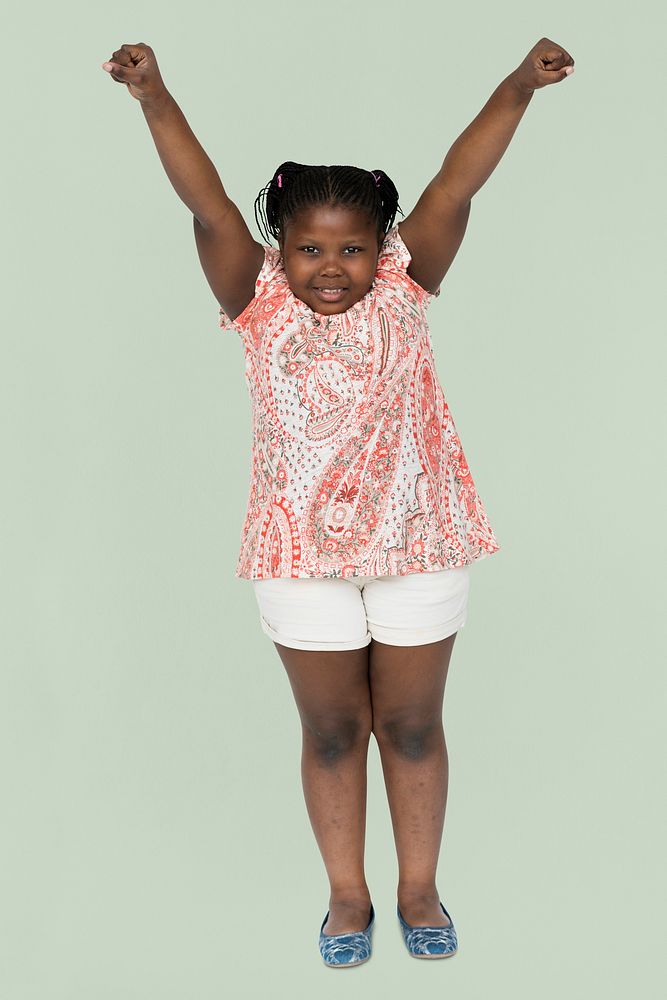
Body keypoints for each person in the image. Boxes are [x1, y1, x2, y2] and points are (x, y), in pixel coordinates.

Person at [101, 36, 575, 968]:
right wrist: (152, 95)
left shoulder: (406, 285)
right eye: (310, 247)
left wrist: (520, 86)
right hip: (297, 556)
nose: (331, 266)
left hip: (419, 542)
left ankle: (417, 886)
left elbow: (455, 184)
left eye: (351, 248)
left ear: (381, 248)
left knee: (408, 725)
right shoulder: (255, 298)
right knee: (329, 731)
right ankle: (348, 895)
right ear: (279, 245)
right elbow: (202, 199)